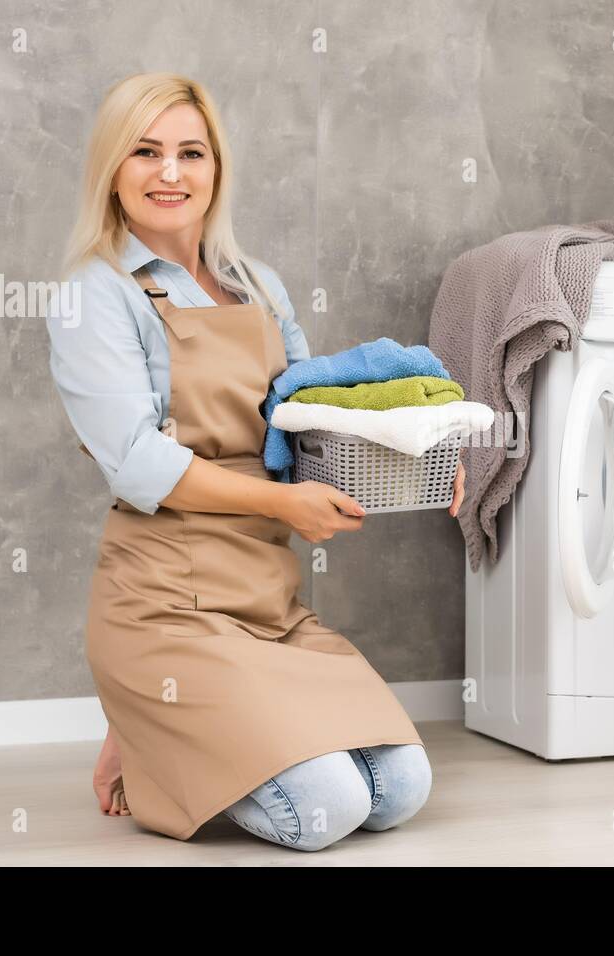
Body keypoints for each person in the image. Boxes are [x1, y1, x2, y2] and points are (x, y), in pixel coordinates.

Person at [47, 73, 462, 850]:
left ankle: (160, 731)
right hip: (165, 607)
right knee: (325, 811)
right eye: (145, 152)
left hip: (266, 600)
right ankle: (151, 734)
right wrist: (283, 506)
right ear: (113, 167)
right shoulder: (94, 294)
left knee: (401, 788)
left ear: (216, 169)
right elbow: (137, 463)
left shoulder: (257, 286)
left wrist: (425, 454)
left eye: (189, 153)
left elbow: (314, 422)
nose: (170, 173)